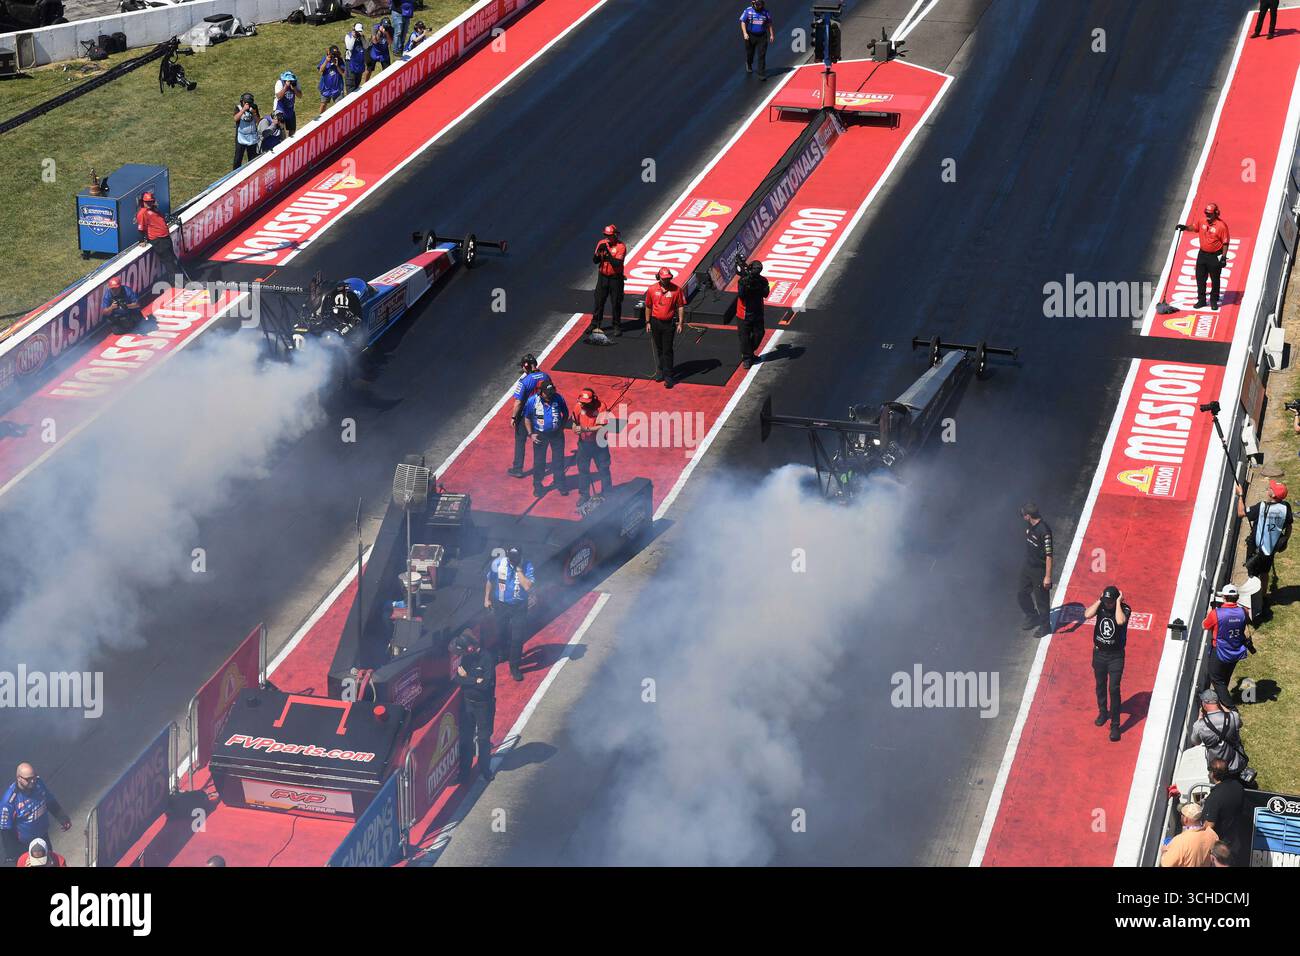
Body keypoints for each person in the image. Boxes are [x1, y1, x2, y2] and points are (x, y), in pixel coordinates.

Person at [1237, 479, 1291, 614]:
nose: (1268, 488)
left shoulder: (1262, 506)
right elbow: (1289, 526)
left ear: (1272, 495)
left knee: (1252, 575)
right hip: (1270, 549)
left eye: (1270, 488)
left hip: (1255, 549)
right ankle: (1263, 597)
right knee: (1265, 572)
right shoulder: (1286, 508)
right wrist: (1285, 540)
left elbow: (1241, 513)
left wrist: (1240, 495)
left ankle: (1253, 603)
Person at [0, 763, 72, 865]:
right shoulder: (9, 802)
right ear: (19, 778)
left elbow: (49, 800)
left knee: (49, 863)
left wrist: (62, 817)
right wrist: (12, 856)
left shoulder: (38, 783)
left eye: (33, 777)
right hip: (24, 845)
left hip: (43, 838)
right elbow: (5, 830)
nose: (32, 781)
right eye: (28, 779)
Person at [1083, 585, 1129, 742]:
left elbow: (1120, 621)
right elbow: (1087, 614)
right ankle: (1103, 711)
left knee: (1114, 688)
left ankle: (1115, 725)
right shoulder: (1100, 606)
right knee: (1100, 685)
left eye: (1110, 601)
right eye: (1106, 601)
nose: (1107, 604)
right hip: (1099, 654)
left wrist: (1117, 603)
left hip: (1116, 656)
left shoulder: (1124, 609)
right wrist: (1099, 599)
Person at [451, 630, 496, 782]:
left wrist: (467, 678)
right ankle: (463, 773)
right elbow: (458, 679)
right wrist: (474, 680)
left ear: (470, 648)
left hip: (484, 705)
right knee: (465, 739)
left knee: (483, 739)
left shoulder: (487, 658)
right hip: (467, 704)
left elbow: (486, 685)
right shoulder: (466, 658)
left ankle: (485, 769)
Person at [484, 547, 535, 681]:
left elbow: (527, 586)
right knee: (501, 632)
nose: (513, 561)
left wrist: (518, 570)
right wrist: (486, 598)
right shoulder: (498, 563)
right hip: (501, 605)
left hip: (519, 606)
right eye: (511, 559)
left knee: (517, 638)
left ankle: (515, 667)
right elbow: (490, 580)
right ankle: (502, 653)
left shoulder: (527, 565)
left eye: (515, 559)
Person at [1201, 584, 1252, 709]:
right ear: (1237, 597)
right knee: (1225, 677)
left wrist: (1209, 612)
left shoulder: (1215, 613)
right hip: (1236, 650)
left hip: (1220, 651)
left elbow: (1204, 626)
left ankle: (1230, 706)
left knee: (1216, 678)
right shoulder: (1243, 611)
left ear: (1224, 597)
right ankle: (1221, 701)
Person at [1176, 202, 1230, 310]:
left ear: (1216, 213)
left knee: (1215, 279)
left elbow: (1225, 243)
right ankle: (1201, 300)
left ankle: (1214, 300)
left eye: (1210, 214)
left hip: (1215, 256)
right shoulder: (1202, 221)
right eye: (1206, 213)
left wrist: (1223, 257)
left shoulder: (1221, 226)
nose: (1207, 215)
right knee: (1200, 278)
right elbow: (1194, 228)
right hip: (1202, 255)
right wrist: (1185, 227)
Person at [508, 353, 552, 478]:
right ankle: (540, 470)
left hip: (526, 416)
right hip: (541, 416)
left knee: (520, 441)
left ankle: (518, 469)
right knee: (538, 443)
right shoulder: (546, 376)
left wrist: (513, 417)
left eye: (522, 366)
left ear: (526, 366)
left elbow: (518, 402)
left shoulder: (524, 381)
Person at [524, 381, 570, 497]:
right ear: (540, 392)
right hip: (540, 435)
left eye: (551, 393)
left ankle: (560, 484)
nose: (550, 395)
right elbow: (527, 418)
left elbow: (565, 413)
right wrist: (531, 434)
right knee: (539, 462)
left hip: (557, 434)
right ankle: (538, 485)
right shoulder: (532, 401)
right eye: (547, 393)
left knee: (558, 460)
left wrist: (561, 427)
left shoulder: (558, 398)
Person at [1190, 688, 1248, 777]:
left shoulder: (1199, 725)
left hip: (1218, 769)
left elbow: (1195, 742)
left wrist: (1200, 717)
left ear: (1204, 703)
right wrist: (1221, 707)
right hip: (1237, 764)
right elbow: (1240, 724)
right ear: (1218, 702)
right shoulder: (1234, 716)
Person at [644, 267, 686, 388]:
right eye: (664, 279)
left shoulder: (676, 290)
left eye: (668, 278)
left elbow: (681, 306)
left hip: (669, 324)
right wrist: (647, 322)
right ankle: (661, 370)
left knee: (667, 350)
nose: (666, 281)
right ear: (659, 278)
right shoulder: (652, 289)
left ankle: (669, 376)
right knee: (659, 349)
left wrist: (680, 322)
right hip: (655, 322)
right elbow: (648, 306)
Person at [1201, 757, 1247, 866]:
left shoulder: (1214, 798)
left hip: (1220, 845)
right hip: (1236, 839)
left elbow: (1208, 827)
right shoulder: (1238, 786)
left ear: (1212, 774)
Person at [1016, 502, 1053, 636]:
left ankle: (1045, 626)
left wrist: (1047, 577)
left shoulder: (1044, 531)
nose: (1022, 517)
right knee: (1021, 594)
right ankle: (1032, 616)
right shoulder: (1029, 525)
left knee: (1042, 601)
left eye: (1023, 515)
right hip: (1028, 567)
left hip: (1039, 570)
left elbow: (1049, 555)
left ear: (1028, 516)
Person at [571, 387, 612, 507]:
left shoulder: (602, 407)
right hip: (584, 444)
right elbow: (574, 422)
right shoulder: (578, 407)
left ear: (594, 400)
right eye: (582, 403)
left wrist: (586, 429)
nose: (584, 405)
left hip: (599, 443)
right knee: (583, 470)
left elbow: (602, 426)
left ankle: (607, 492)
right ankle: (584, 494)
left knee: (604, 468)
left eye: (586, 403)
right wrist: (575, 429)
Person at [136, 191, 185, 286]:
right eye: (147, 202)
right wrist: (141, 240)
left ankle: (180, 280)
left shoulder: (154, 209)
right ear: (143, 202)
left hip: (165, 237)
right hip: (158, 240)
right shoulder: (142, 213)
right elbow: (141, 228)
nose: (149, 203)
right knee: (169, 262)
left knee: (173, 259)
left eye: (151, 201)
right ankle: (176, 283)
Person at [591, 224, 627, 337]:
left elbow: (617, 263)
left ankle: (616, 325)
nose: (608, 237)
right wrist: (598, 254)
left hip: (615, 278)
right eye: (606, 235)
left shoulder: (621, 246)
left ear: (615, 235)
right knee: (599, 301)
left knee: (616, 302)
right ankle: (595, 324)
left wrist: (608, 253)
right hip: (603, 277)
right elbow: (595, 261)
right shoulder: (601, 243)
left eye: (610, 235)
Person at [1159, 802, 1218, 868]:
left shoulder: (1180, 840)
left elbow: (1166, 864)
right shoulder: (1212, 834)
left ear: (1185, 819)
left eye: (1182, 814)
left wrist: (1164, 852)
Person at [736, 259, 769, 368]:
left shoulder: (763, 280)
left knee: (759, 334)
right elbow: (741, 295)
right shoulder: (743, 281)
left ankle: (749, 353)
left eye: (759, 270)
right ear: (751, 269)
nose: (757, 271)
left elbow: (766, 294)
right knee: (744, 337)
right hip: (744, 314)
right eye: (756, 269)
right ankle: (747, 358)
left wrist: (758, 286)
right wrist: (747, 285)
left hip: (758, 312)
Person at [739, 1, 776, 77]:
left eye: (760, 4)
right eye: (757, 5)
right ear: (753, 4)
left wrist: (771, 35)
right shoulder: (748, 11)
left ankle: (761, 73)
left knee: (762, 54)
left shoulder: (766, 12)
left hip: (762, 36)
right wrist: (745, 33)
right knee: (750, 53)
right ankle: (749, 63)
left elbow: (769, 24)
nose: (758, 6)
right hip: (750, 36)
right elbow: (743, 22)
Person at [233, 92, 261, 169]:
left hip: (252, 138)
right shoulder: (238, 107)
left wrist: (254, 113)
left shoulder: (254, 107)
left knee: (252, 160)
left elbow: (258, 121)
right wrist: (243, 110)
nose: (248, 104)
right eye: (246, 103)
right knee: (237, 160)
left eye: (249, 103)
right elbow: (235, 118)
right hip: (241, 138)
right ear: (242, 101)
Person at [318, 45, 346, 114]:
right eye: (333, 54)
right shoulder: (325, 59)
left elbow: (342, 72)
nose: (334, 56)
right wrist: (326, 61)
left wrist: (337, 65)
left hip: (337, 88)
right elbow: (321, 70)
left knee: (340, 107)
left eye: (335, 54)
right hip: (326, 88)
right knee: (323, 104)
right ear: (329, 53)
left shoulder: (339, 60)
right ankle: (320, 121)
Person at [273, 71, 301, 136]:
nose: (291, 82)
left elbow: (300, 96)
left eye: (292, 80)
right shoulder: (279, 83)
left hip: (290, 110)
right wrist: (285, 87)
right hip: (280, 109)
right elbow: (278, 96)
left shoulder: (295, 83)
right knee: (281, 131)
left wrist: (294, 89)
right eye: (289, 80)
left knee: (292, 130)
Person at [344, 22, 367, 93]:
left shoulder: (361, 37)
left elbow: (366, 46)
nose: (359, 33)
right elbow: (349, 47)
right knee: (350, 85)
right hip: (350, 64)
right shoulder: (348, 36)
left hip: (359, 64)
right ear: (354, 30)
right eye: (357, 31)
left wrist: (362, 37)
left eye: (360, 31)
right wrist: (354, 37)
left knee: (357, 85)